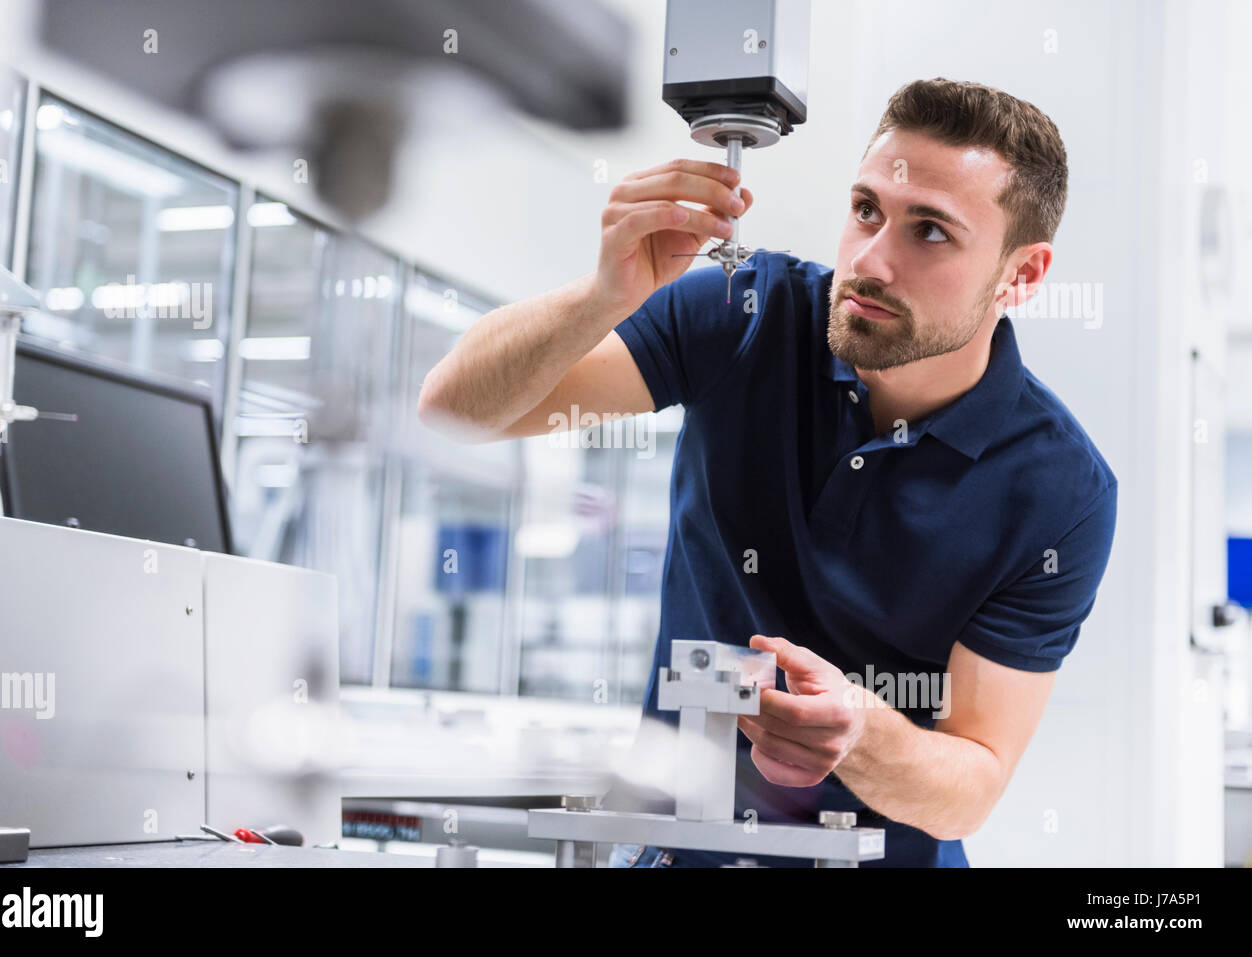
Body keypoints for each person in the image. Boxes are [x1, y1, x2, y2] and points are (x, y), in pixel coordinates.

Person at [418, 77, 1118, 867]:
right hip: (674, 845)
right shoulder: (745, 312)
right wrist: (601, 296)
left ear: (1021, 275)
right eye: (865, 210)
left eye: (930, 232)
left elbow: (974, 781)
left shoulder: (1061, 489)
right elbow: (452, 410)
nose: (872, 261)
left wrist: (859, 729)